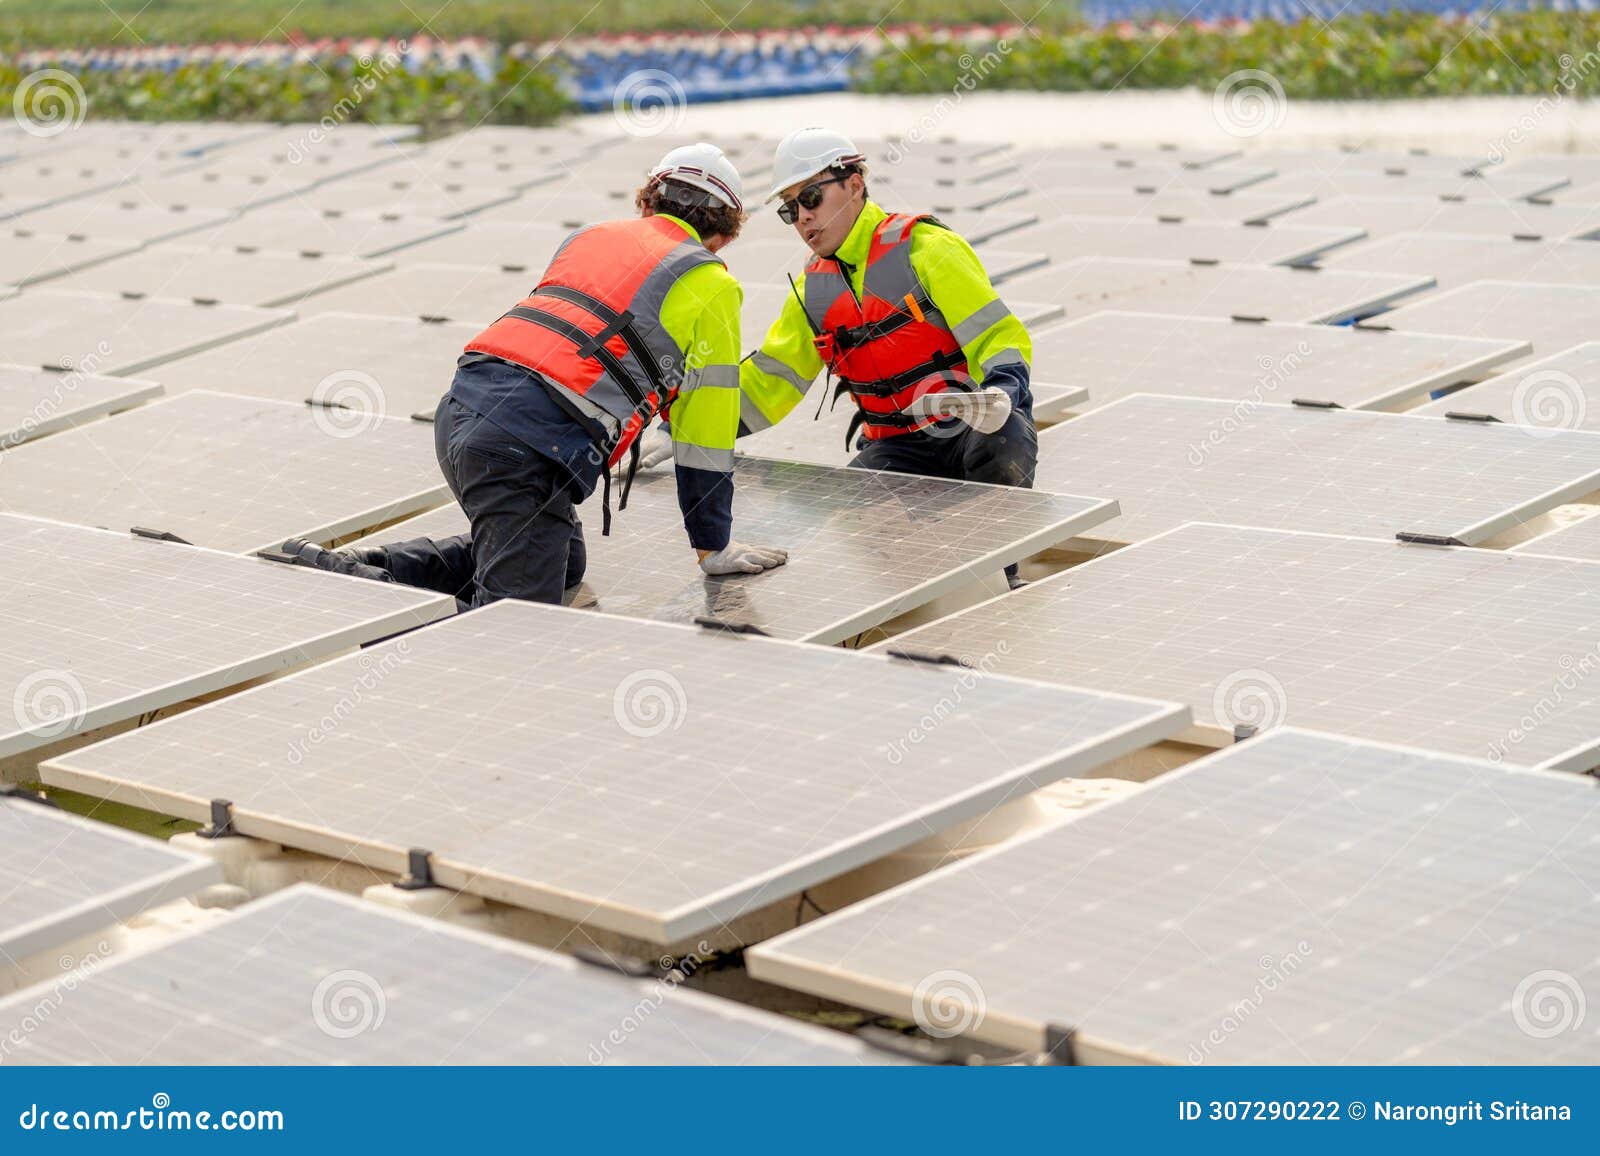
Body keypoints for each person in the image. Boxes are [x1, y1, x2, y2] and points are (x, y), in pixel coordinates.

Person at [283, 142, 787, 606]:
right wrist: (711, 545)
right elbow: (707, 425)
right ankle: (356, 594)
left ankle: (363, 568)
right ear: (721, 235)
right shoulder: (710, 281)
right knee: (512, 622)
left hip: (462, 411)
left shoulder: (589, 237)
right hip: (523, 449)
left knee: (563, 563)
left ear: (647, 204)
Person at [735, 128, 1039, 581]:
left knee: (1004, 442)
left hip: (971, 427)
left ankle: (1002, 574)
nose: (802, 217)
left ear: (854, 184)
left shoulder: (928, 249)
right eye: (789, 208)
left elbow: (997, 335)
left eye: (811, 197)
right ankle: (917, 592)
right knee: (861, 516)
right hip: (895, 447)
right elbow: (769, 383)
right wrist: (684, 428)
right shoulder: (812, 291)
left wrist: (1002, 391)